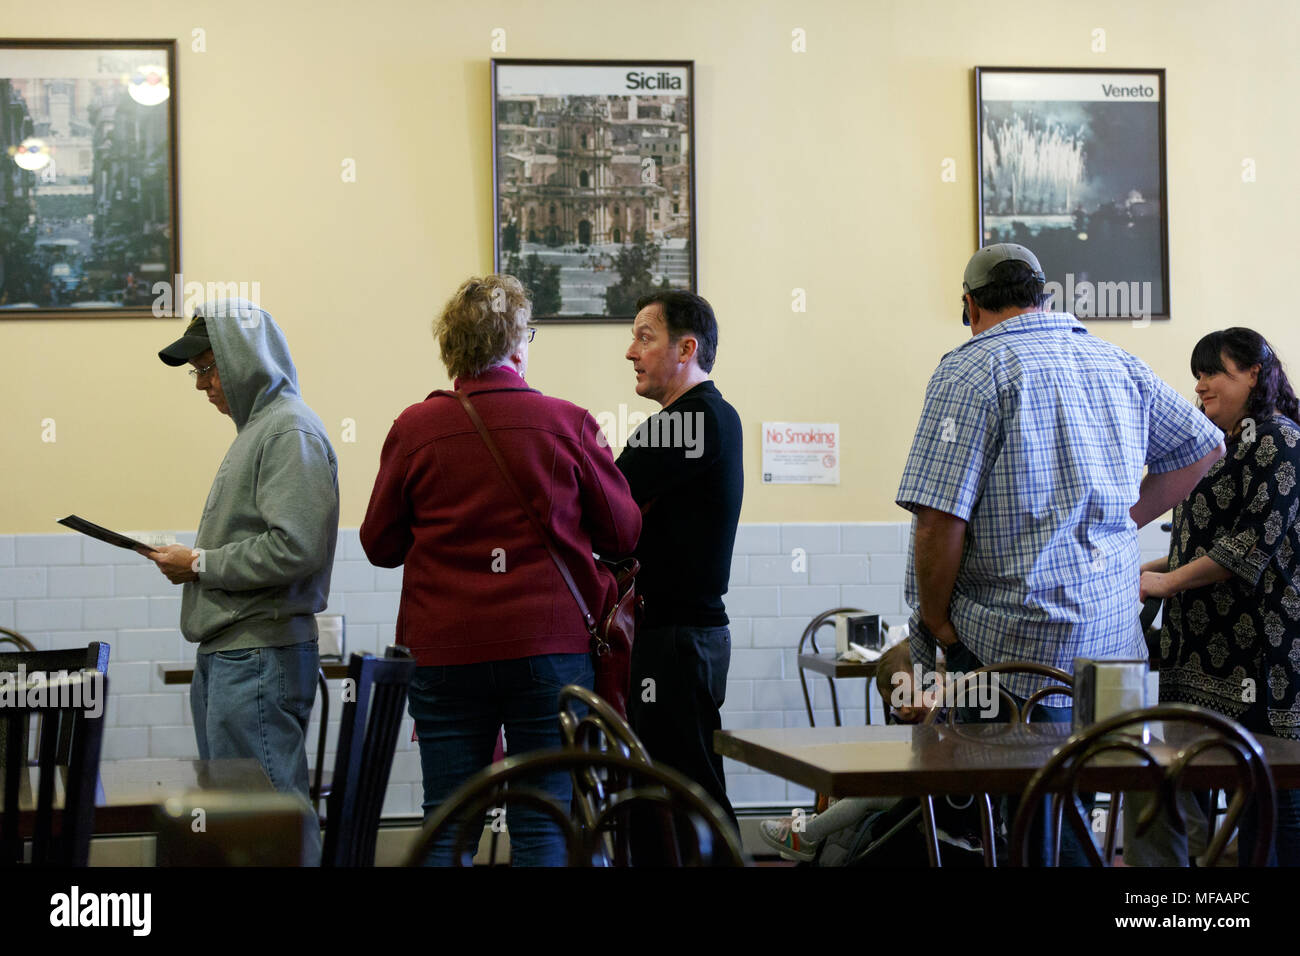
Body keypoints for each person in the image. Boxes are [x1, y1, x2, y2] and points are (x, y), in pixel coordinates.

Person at [895, 243, 1225, 864]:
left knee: (1024, 814)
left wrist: (938, 624)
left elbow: (938, 521)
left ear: (969, 306)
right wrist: (1123, 520)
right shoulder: (1114, 361)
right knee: (1092, 797)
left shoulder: (970, 370)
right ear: (1044, 296)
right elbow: (1204, 449)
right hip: (1112, 650)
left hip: (1011, 654)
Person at [360, 275, 640, 866]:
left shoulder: (414, 429)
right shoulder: (567, 423)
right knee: (543, 819)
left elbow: (379, 545)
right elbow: (623, 533)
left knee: (448, 818)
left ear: (452, 348)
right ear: (517, 344)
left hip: (445, 651)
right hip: (549, 649)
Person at [149, 299, 338, 866]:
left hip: (257, 657)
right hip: (236, 655)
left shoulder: (287, 432)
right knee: (246, 820)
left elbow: (295, 548)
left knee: (267, 821)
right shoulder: (261, 431)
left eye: (209, 367)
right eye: (197, 373)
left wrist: (199, 563)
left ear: (244, 359)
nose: (204, 383)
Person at [1130, 328, 1300, 866]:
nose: (1201, 385)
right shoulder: (1218, 444)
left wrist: (1163, 582)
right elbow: (1198, 544)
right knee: (1222, 793)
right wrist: (1139, 569)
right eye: (1197, 374)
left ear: (1254, 374)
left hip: (1259, 656)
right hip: (1202, 655)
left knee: (1274, 802)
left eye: (1215, 373)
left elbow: (1247, 548)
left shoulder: (1280, 440)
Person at [616, 289, 744, 854]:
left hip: (675, 639)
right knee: (678, 791)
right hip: (683, 636)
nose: (630, 351)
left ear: (686, 348)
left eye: (645, 336)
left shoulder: (688, 423)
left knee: (686, 796)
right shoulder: (709, 417)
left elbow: (603, 504)